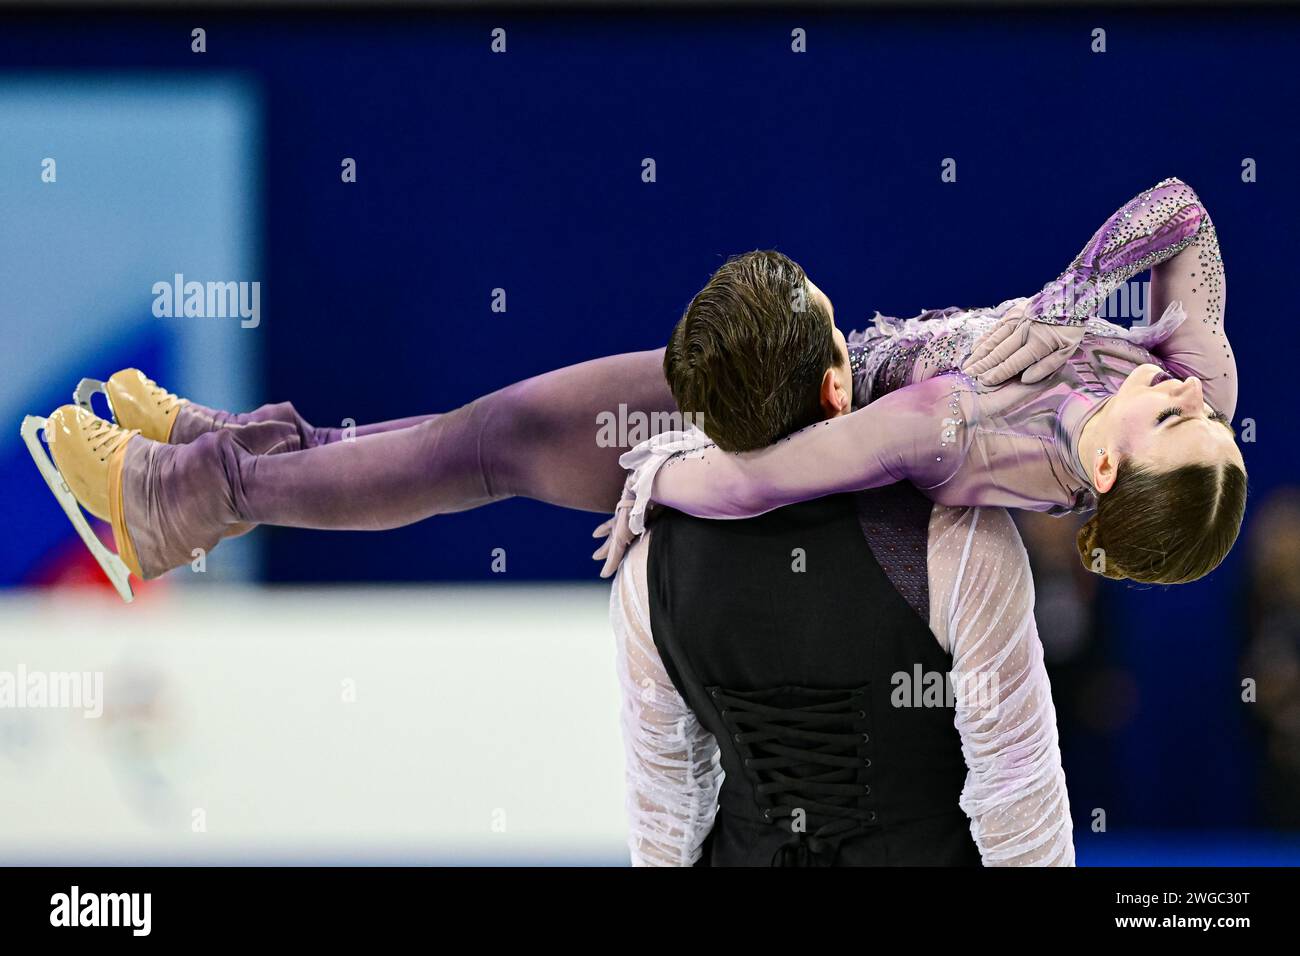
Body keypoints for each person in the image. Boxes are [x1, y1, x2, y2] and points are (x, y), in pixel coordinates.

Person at [26, 178, 1242, 599]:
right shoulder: (1176, 383)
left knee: (487, 450)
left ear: (1098, 476)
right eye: (1211, 421)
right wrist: (1094, 302)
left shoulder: (963, 429)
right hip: (798, 366)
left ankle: (186, 498)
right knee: (479, 432)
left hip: (768, 398)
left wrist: (662, 481)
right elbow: (1182, 207)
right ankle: (230, 452)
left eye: (1183, 427)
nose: (1196, 401)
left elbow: (787, 471)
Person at [608, 262, 1073, 865]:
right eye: (840, 334)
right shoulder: (953, 538)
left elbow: (665, 815)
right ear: (835, 390)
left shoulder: (649, 568)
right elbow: (1018, 803)